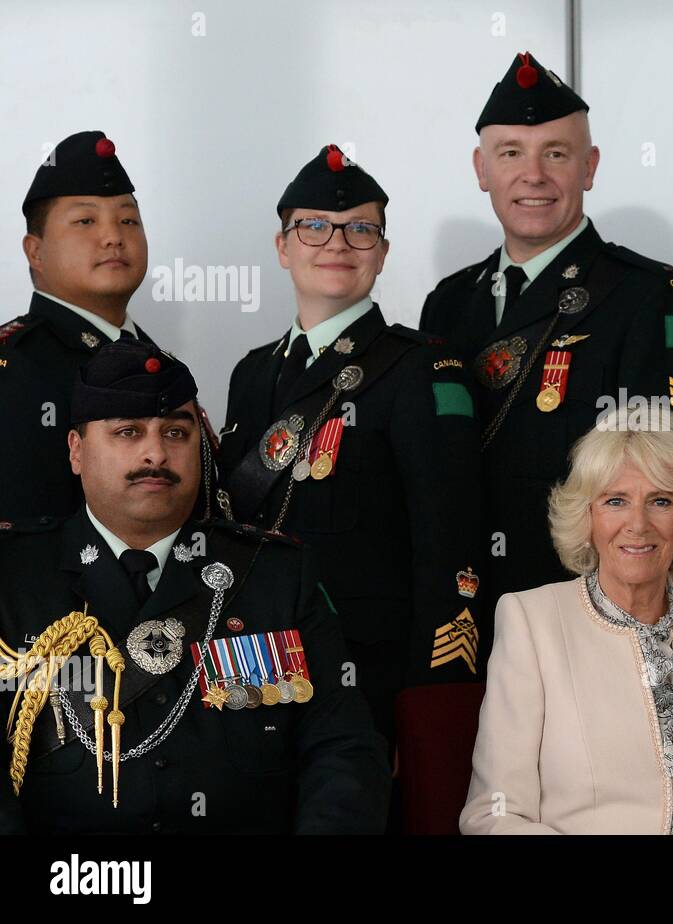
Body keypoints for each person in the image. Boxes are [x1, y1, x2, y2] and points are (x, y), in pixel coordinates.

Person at [0, 339, 388, 833]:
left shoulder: (275, 573)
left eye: (177, 433)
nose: (156, 453)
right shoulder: (13, 577)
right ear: (76, 450)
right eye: (128, 431)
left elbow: (345, 749)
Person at [419, 51, 673, 620]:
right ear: (482, 169)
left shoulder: (652, 296)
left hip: (588, 609)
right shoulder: (448, 303)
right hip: (464, 606)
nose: (533, 175)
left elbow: (672, 481)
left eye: (555, 154)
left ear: (590, 166)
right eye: (511, 153)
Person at [217, 145, 482, 753]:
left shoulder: (423, 369)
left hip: (365, 684)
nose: (337, 243)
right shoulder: (250, 374)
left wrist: (420, 712)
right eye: (313, 227)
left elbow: (449, 550)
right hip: (253, 671)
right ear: (283, 247)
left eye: (361, 229)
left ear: (383, 252)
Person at [460, 410, 673, 834]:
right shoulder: (532, 621)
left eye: (661, 501)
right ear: (587, 517)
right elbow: (494, 814)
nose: (637, 525)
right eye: (615, 500)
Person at [1, 131, 160, 519]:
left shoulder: (158, 361)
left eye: (128, 220)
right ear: (35, 251)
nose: (113, 237)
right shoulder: (13, 366)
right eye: (85, 220)